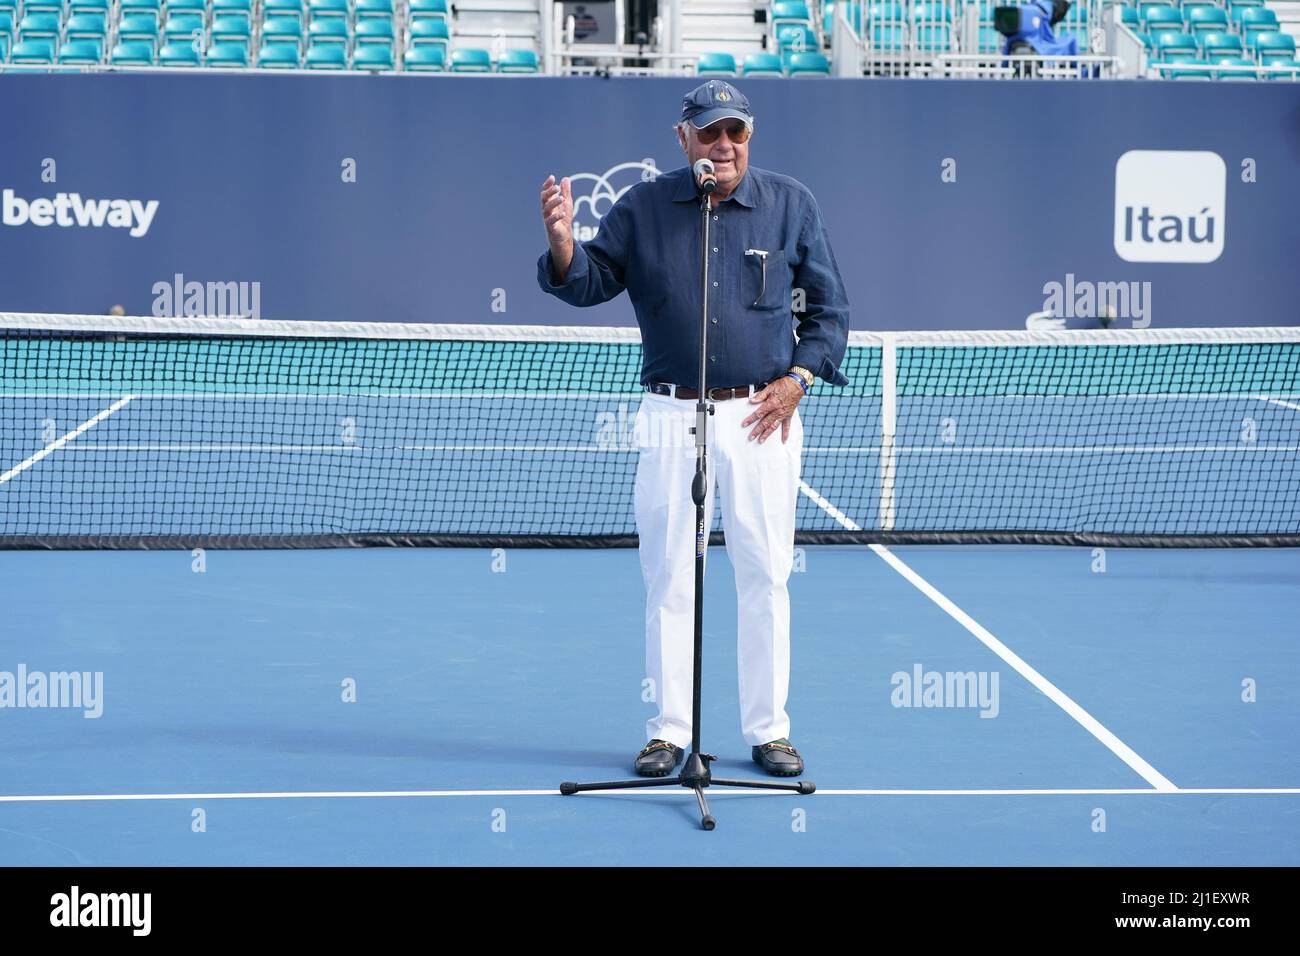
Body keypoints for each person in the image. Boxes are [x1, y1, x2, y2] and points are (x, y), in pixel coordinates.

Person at [536, 80, 849, 778]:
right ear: (685, 140)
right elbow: (587, 281)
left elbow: (829, 311)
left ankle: (769, 730)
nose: (723, 145)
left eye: (734, 132)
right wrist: (562, 244)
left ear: (750, 136)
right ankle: (669, 732)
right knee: (668, 577)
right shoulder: (644, 207)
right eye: (709, 133)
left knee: (766, 576)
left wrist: (797, 380)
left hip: (762, 421)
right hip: (671, 416)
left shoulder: (791, 204)